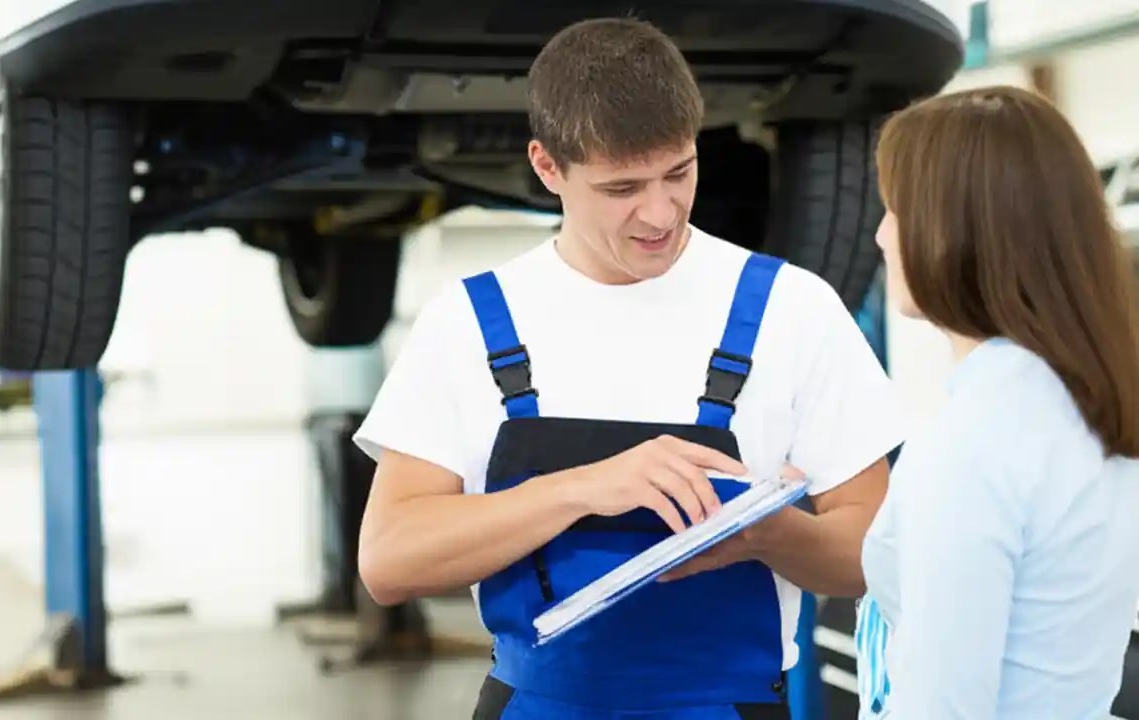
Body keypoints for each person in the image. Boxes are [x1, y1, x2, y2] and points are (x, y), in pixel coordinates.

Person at [354, 16, 905, 719]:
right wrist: (585, 490)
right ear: (547, 166)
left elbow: (878, 554)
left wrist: (765, 533)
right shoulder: (468, 322)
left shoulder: (790, 309)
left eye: (679, 172)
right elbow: (389, 560)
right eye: (622, 189)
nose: (660, 212)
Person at [855, 85, 1139, 719]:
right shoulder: (1087, 403)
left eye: (894, 211)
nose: (878, 236)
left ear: (950, 230)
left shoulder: (969, 445)